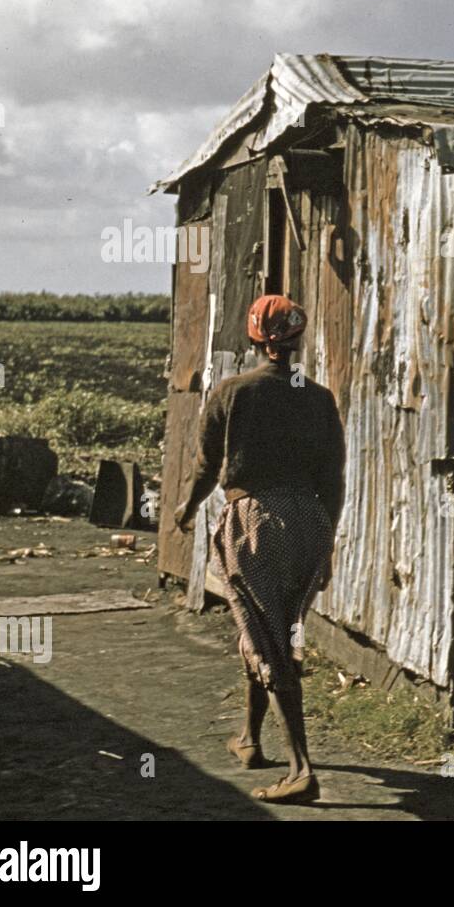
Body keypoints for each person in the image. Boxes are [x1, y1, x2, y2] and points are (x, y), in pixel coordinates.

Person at [175, 294, 346, 805]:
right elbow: (332, 479)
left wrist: (186, 509)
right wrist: (326, 540)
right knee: (268, 628)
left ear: (255, 337)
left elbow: (207, 467)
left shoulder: (233, 392)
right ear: (297, 338)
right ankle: (250, 739)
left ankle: (301, 771)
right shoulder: (318, 397)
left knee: (267, 640)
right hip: (308, 523)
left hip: (255, 523)